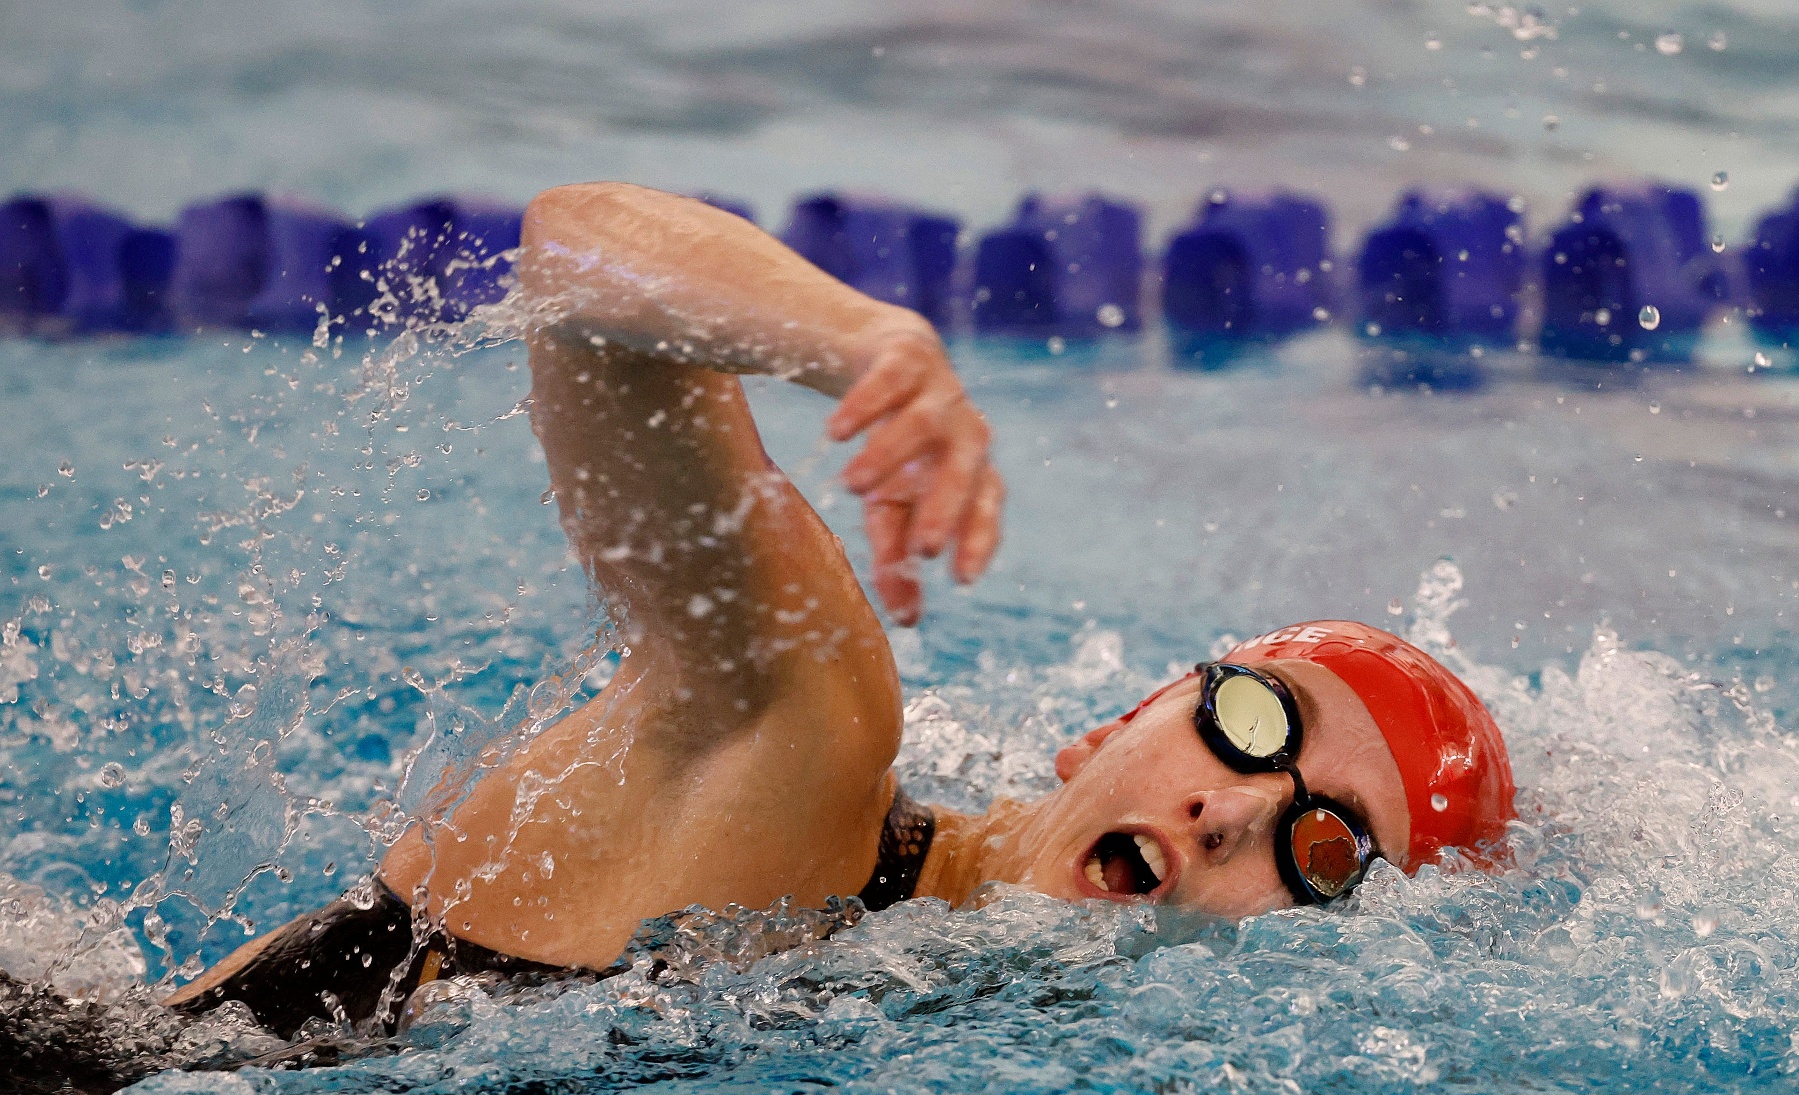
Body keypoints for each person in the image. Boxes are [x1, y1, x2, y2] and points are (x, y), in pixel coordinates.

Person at [148, 182, 1510, 1043]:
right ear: (1108, 728)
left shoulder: (933, 996)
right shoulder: (807, 739)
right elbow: (577, 258)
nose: (1235, 811)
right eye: (1255, 724)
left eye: (1329, 852)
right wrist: (868, 343)